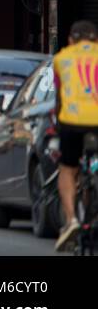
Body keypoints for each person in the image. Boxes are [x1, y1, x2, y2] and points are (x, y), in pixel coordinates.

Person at [52, 19, 98, 252]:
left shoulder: (62, 58)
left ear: (71, 39)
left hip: (73, 121)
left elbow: (59, 97)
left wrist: (57, 123)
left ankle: (71, 220)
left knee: (68, 169)